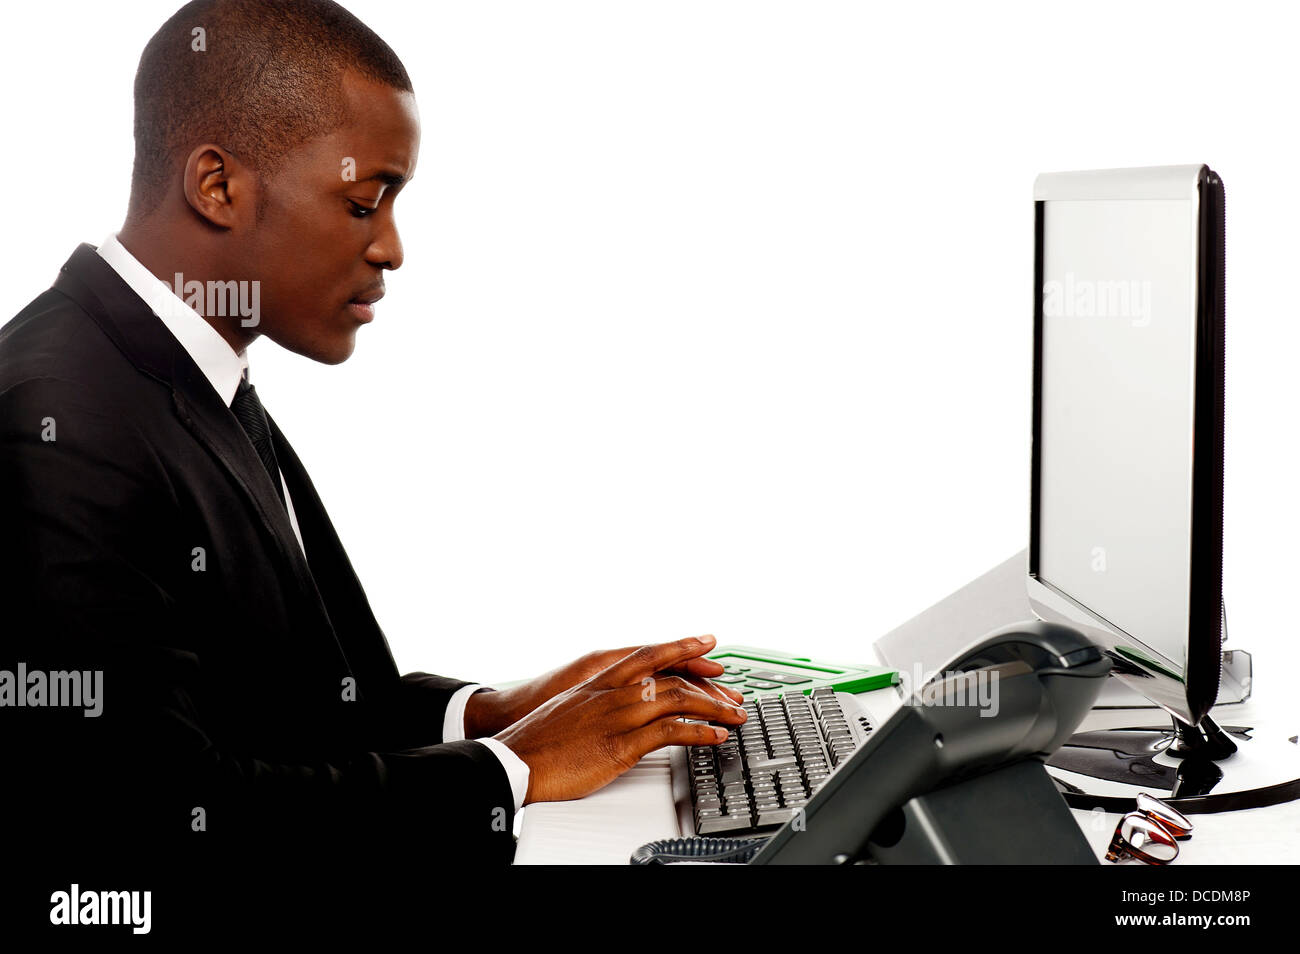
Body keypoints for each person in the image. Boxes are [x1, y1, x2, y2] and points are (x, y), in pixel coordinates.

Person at [0, 0, 746, 868]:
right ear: (218, 185)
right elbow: (160, 814)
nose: (392, 248)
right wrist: (511, 770)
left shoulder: (179, 365)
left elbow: (288, 707)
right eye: (364, 202)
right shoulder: (58, 427)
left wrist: (493, 712)